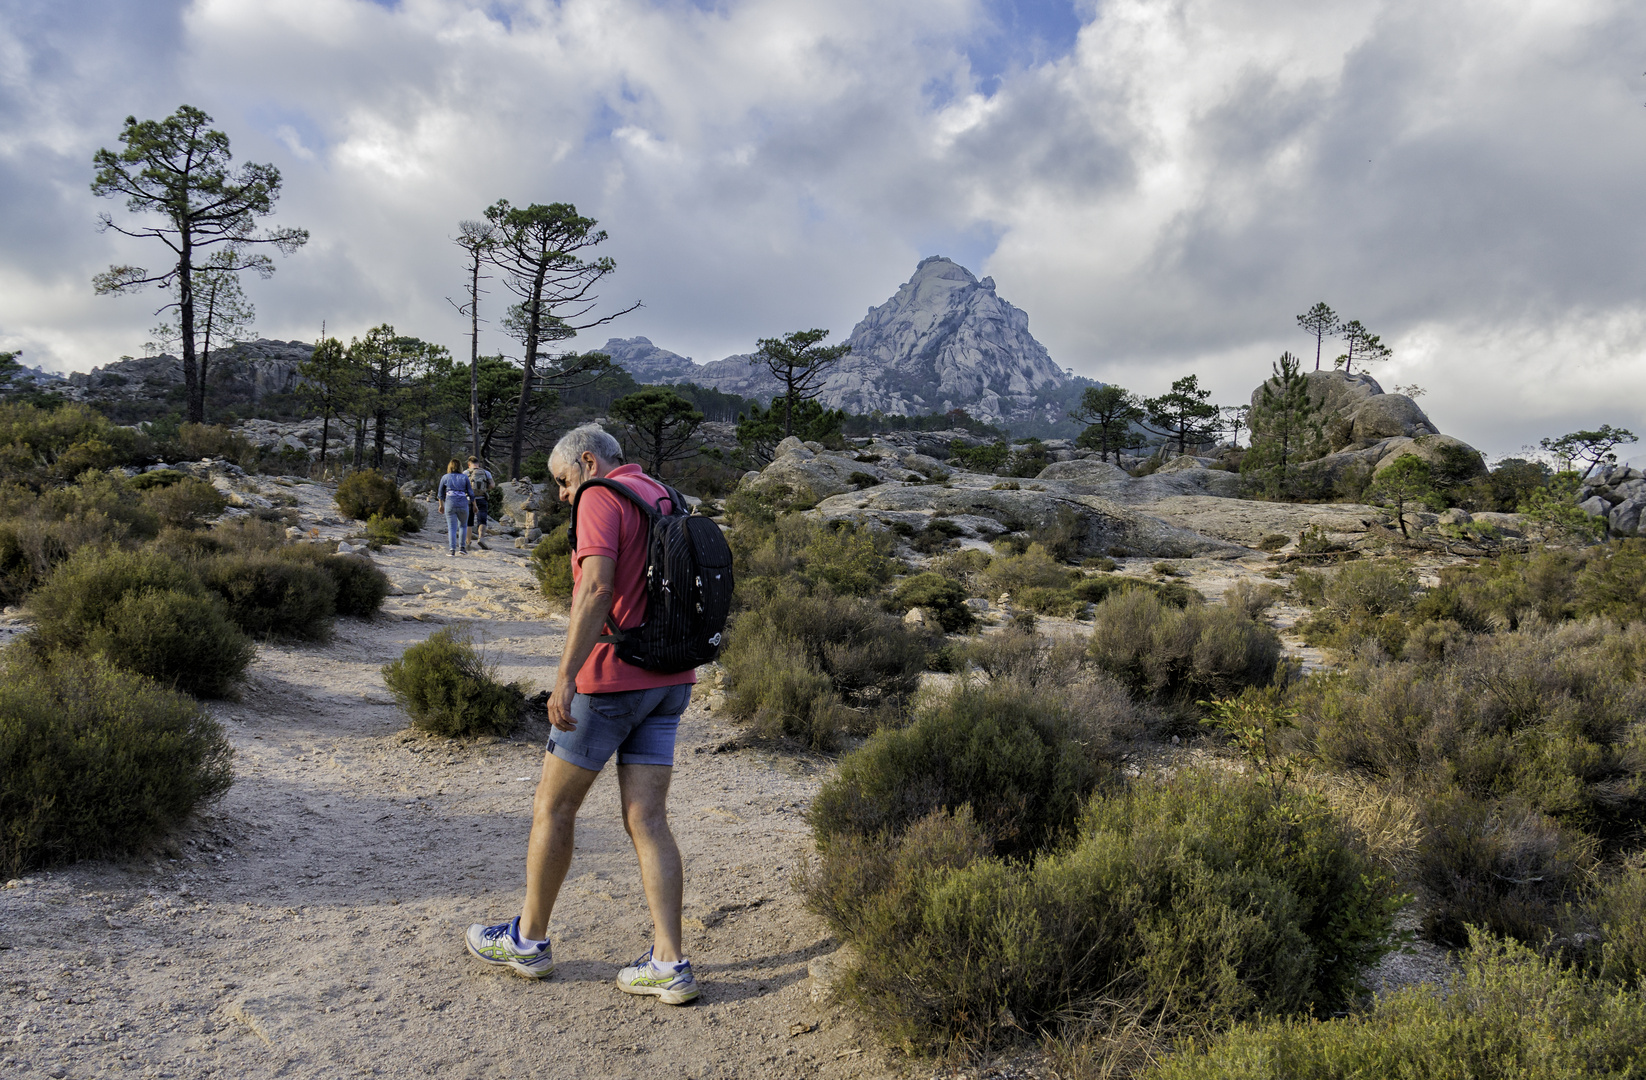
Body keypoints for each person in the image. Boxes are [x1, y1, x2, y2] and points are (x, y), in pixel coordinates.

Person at [464, 425, 700, 1004]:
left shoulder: (601, 496)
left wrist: (567, 675)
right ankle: (669, 964)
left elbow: (596, 589)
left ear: (588, 462)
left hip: (612, 680)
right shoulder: (663, 494)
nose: (563, 494)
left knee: (554, 807)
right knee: (648, 818)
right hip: (671, 678)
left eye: (563, 480)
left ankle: (528, 941)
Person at [436, 459, 472, 556]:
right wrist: (474, 504)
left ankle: (452, 550)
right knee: (463, 525)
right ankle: (462, 548)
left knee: (452, 527)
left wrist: (441, 505)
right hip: (463, 503)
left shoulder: (445, 477)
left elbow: (440, 494)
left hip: (450, 503)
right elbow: (471, 493)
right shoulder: (464, 477)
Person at [464, 455, 495, 550]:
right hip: (482, 498)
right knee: (482, 520)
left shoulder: (465, 472)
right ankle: (481, 538)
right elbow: (492, 485)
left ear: (469, 464)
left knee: (469, 521)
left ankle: (468, 542)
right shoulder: (485, 472)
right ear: (478, 464)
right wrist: (485, 489)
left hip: (469, 499)